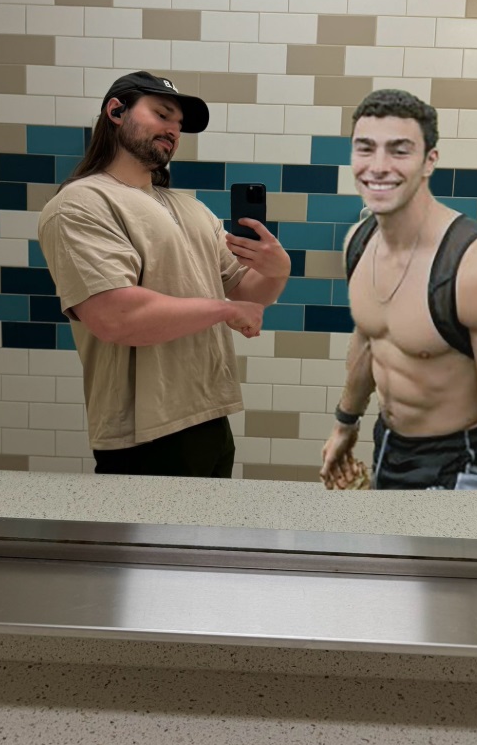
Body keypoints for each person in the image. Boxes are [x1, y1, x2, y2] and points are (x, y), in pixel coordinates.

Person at [38, 71, 290, 477]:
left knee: (207, 542)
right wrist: (223, 311)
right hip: (145, 433)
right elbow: (116, 318)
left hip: (210, 415)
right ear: (116, 111)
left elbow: (248, 293)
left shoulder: (192, 209)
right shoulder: (82, 204)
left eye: (178, 125)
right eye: (162, 115)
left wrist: (278, 272)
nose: (173, 130)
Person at [320, 89, 477, 491]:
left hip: (460, 462)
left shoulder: (475, 265)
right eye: (365, 149)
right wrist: (346, 423)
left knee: (452, 557)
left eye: (399, 151)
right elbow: (369, 337)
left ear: (429, 160)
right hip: (391, 446)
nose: (378, 167)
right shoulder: (359, 242)